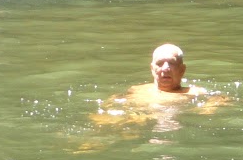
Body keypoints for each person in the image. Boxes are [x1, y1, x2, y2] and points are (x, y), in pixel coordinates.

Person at [93, 42, 225, 124]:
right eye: (160, 63)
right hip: (131, 120)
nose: (165, 68)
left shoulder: (193, 92)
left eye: (171, 63)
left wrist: (209, 107)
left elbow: (222, 98)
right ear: (152, 69)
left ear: (182, 70)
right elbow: (114, 101)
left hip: (162, 125)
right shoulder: (137, 90)